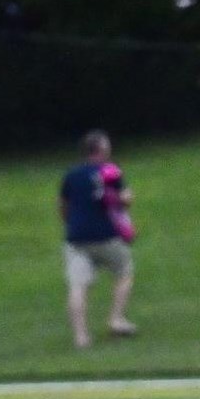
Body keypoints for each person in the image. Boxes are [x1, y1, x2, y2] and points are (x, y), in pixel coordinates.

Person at [58, 129, 137, 349]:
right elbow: (124, 200)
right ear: (102, 149)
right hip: (106, 236)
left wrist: (71, 224)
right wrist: (126, 198)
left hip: (76, 238)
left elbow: (63, 206)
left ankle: (81, 337)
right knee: (124, 272)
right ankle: (116, 319)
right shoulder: (110, 172)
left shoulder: (71, 175)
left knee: (78, 285)